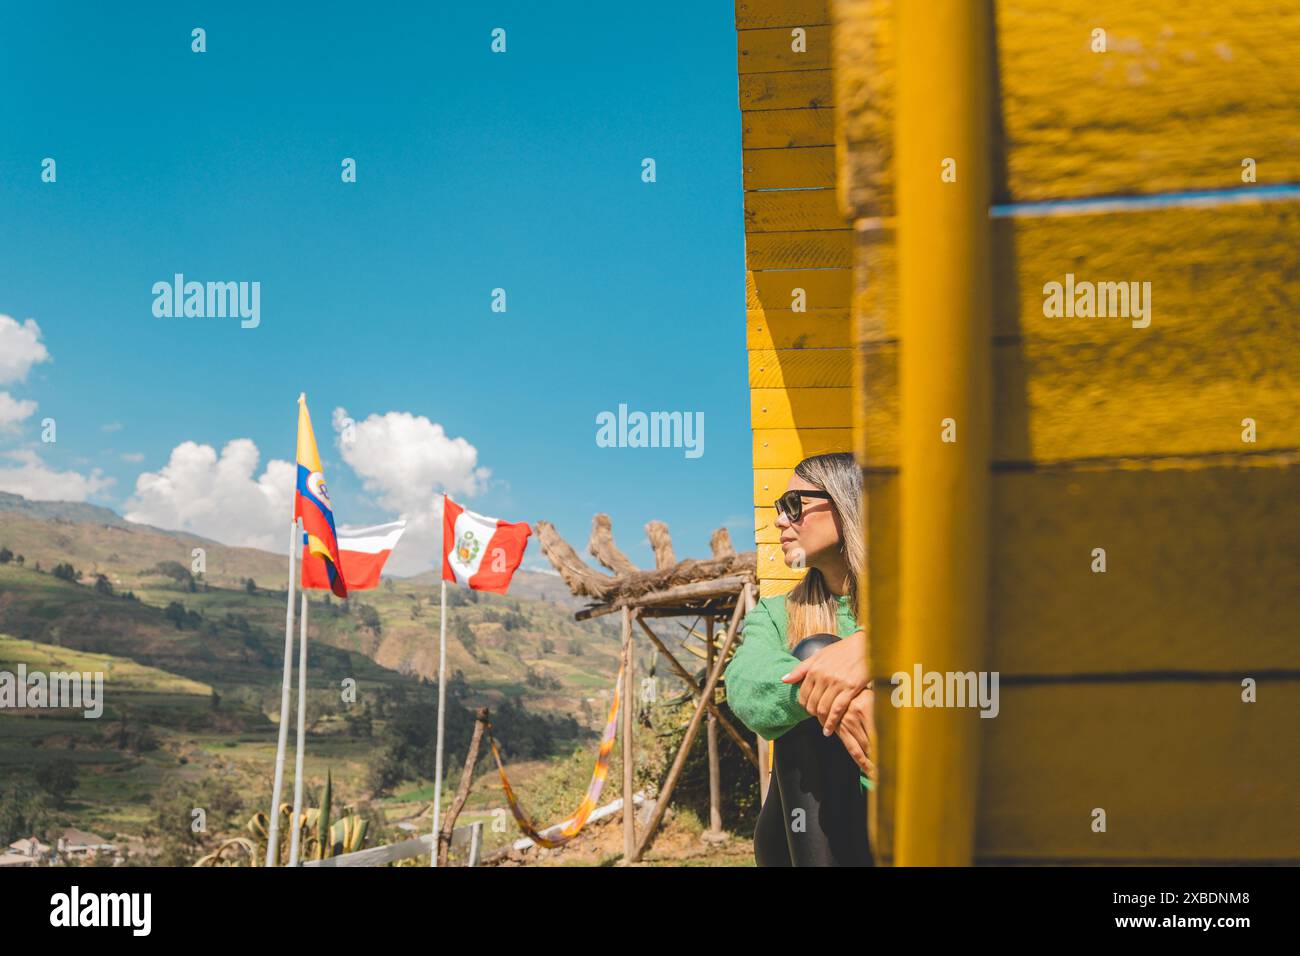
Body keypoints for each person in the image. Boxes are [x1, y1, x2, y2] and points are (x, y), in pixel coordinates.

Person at [724, 452, 875, 866]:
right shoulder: (777, 613)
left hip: (899, 805)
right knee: (814, 652)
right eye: (777, 509)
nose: (780, 521)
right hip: (811, 835)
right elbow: (745, 686)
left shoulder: (916, 606)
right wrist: (836, 690)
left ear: (847, 504)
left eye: (795, 506)